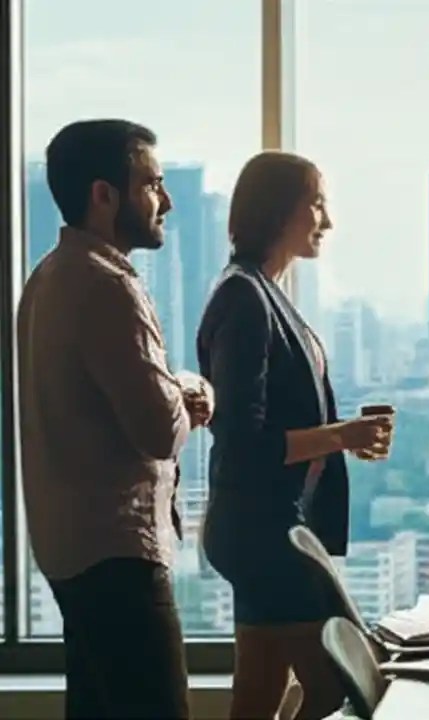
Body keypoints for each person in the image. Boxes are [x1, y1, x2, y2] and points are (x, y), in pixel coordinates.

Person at [17, 119, 213, 719]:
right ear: (105, 195)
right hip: (119, 558)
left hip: (72, 552)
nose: (168, 200)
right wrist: (194, 390)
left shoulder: (47, 278)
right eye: (152, 184)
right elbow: (159, 429)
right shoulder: (108, 287)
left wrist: (171, 393)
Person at [197, 151, 393, 719]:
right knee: (340, 687)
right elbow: (243, 442)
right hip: (264, 532)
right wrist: (340, 435)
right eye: (317, 203)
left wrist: (341, 436)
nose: (326, 221)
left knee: (257, 698)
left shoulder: (264, 291)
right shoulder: (244, 296)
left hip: (263, 527)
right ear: (281, 208)